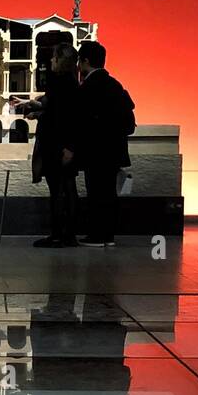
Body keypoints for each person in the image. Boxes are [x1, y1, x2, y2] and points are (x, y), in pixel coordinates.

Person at [15, 42, 81, 247]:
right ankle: (67, 235)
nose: (51, 60)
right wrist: (38, 111)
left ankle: (59, 235)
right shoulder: (71, 83)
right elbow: (59, 112)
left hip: (57, 145)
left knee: (59, 190)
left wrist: (68, 147)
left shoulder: (61, 83)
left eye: (54, 57)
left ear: (61, 60)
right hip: (62, 145)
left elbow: (65, 117)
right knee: (67, 189)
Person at [73, 40, 135, 247]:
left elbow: (81, 120)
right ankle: (108, 235)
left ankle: (96, 235)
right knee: (109, 193)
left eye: (79, 61)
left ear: (85, 61)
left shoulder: (89, 87)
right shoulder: (114, 84)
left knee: (96, 193)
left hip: (96, 151)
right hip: (114, 150)